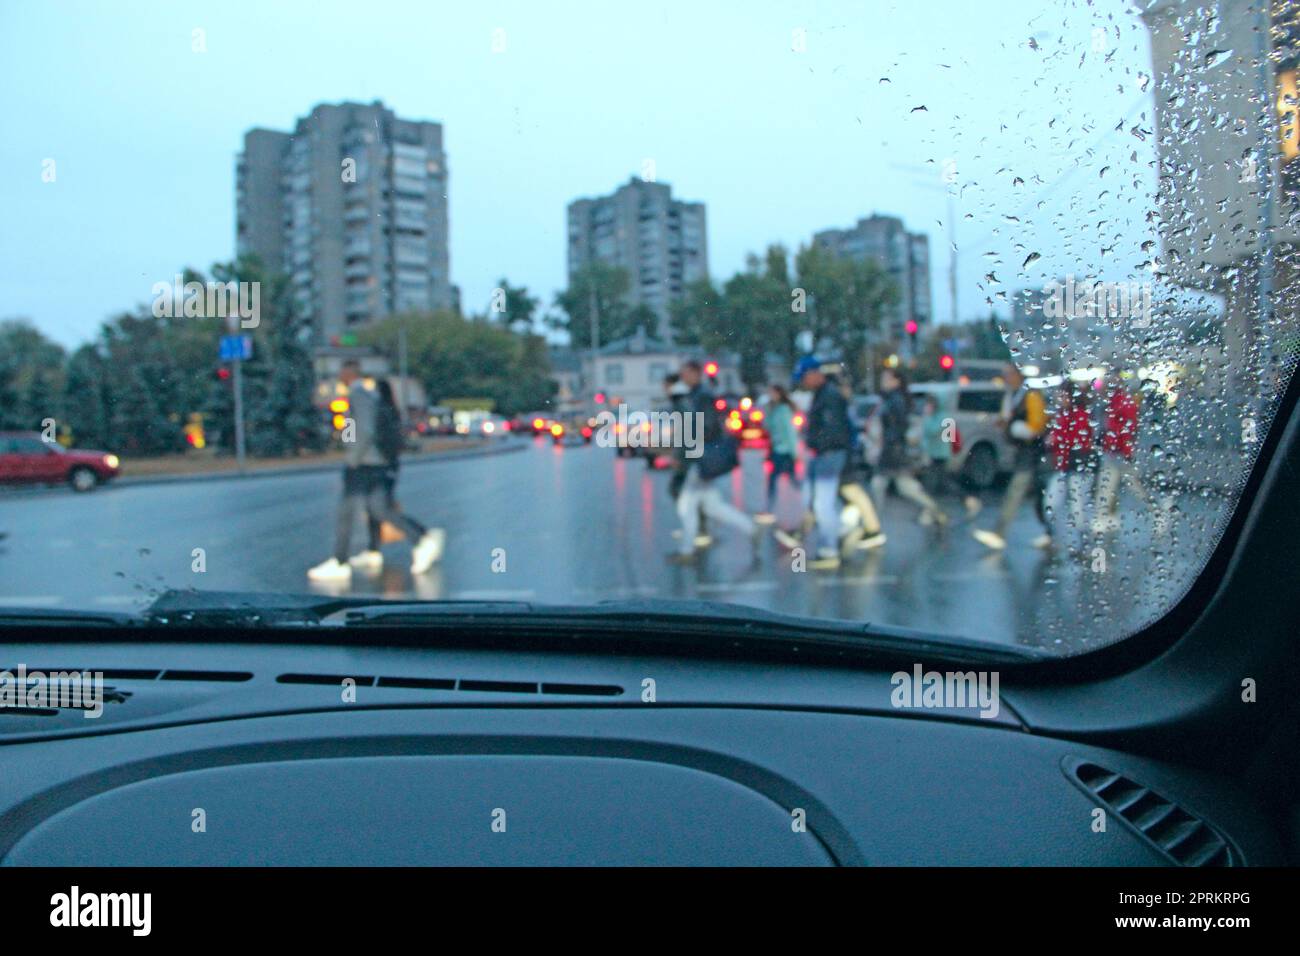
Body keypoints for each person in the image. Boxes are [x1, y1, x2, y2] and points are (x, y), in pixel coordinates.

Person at [308, 362, 444, 582]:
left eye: (342, 372)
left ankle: (339, 562)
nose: (339, 376)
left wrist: (353, 457)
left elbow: (365, 429)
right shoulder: (368, 395)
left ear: (349, 373)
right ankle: (410, 540)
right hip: (376, 461)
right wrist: (347, 440)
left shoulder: (358, 395)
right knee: (378, 508)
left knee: (347, 510)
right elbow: (355, 428)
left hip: (364, 462)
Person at [668, 360, 760, 564]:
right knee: (712, 506)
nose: (682, 377)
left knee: (686, 505)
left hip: (700, 458)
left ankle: (686, 550)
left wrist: (687, 451)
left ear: (695, 373)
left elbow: (704, 427)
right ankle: (751, 528)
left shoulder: (701, 397)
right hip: (701, 456)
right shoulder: (698, 395)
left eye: (685, 373)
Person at [352, 379, 447, 572]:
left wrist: (354, 457)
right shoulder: (386, 409)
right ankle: (374, 550)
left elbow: (368, 436)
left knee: (379, 508)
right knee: (374, 508)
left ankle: (421, 538)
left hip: (380, 465)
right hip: (384, 465)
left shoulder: (378, 410)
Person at [773, 356, 854, 570]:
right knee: (816, 500)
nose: (803, 383)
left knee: (823, 503)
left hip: (828, 454)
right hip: (824, 453)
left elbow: (832, 430)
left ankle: (829, 548)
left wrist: (815, 442)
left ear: (814, 374)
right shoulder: (824, 394)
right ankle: (830, 537)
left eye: (804, 377)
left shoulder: (828, 397)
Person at [973, 362, 1051, 550]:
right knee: (1040, 497)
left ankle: (999, 534)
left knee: (1018, 493)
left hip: (1033, 452)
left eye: (1008, 374)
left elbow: (1037, 425)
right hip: (1024, 452)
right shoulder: (1013, 396)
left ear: (1018, 375)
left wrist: (1018, 429)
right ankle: (1051, 534)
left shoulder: (1030, 395)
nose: (1006, 378)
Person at [870, 368, 946, 526]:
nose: (883, 382)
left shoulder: (895, 400)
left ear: (896, 381)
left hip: (893, 449)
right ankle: (934, 509)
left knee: (882, 484)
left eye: (886, 378)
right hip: (894, 448)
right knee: (898, 485)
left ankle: (873, 524)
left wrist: (887, 441)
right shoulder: (892, 398)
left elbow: (898, 426)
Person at [1093, 376, 1153, 532]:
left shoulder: (1122, 403)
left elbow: (1128, 429)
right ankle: (1104, 518)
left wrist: (1125, 452)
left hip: (1118, 452)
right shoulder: (1114, 403)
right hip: (1114, 451)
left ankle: (1156, 510)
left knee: (1129, 485)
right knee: (1107, 485)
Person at [1045, 381, 1096, 547]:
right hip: (1062, 467)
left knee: (1078, 509)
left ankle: (1084, 541)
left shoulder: (1080, 415)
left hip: (1077, 469)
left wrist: (1056, 440)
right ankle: (1056, 537)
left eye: (1062, 395)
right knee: (1051, 505)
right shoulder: (1061, 415)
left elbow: (1082, 442)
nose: (1059, 398)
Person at [755, 384, 799, 524]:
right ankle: (811, 503)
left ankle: (769, 509)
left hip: (784, 450)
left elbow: (789, 432)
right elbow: (767, 426)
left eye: (773, 393)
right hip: (776, 449)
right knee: (784, 479)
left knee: (777, 479)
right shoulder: (774, 410)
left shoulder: (784, 410)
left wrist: (794, 452)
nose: (771, 396)